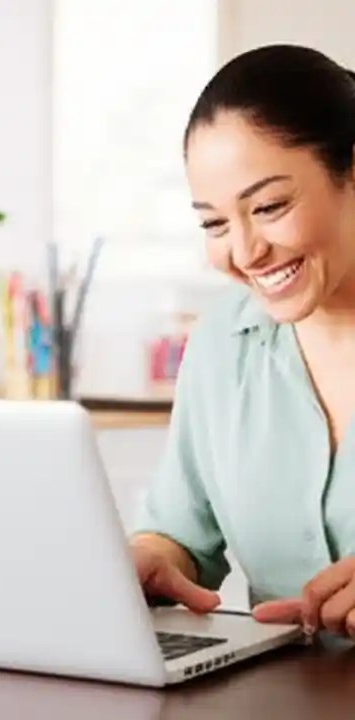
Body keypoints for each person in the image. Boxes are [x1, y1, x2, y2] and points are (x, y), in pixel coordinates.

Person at [131, 43, 355, 640]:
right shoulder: (221, 343)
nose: (245, 250)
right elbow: (180, 531)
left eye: (270, 206)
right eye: (214, 223)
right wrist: (151, 561)